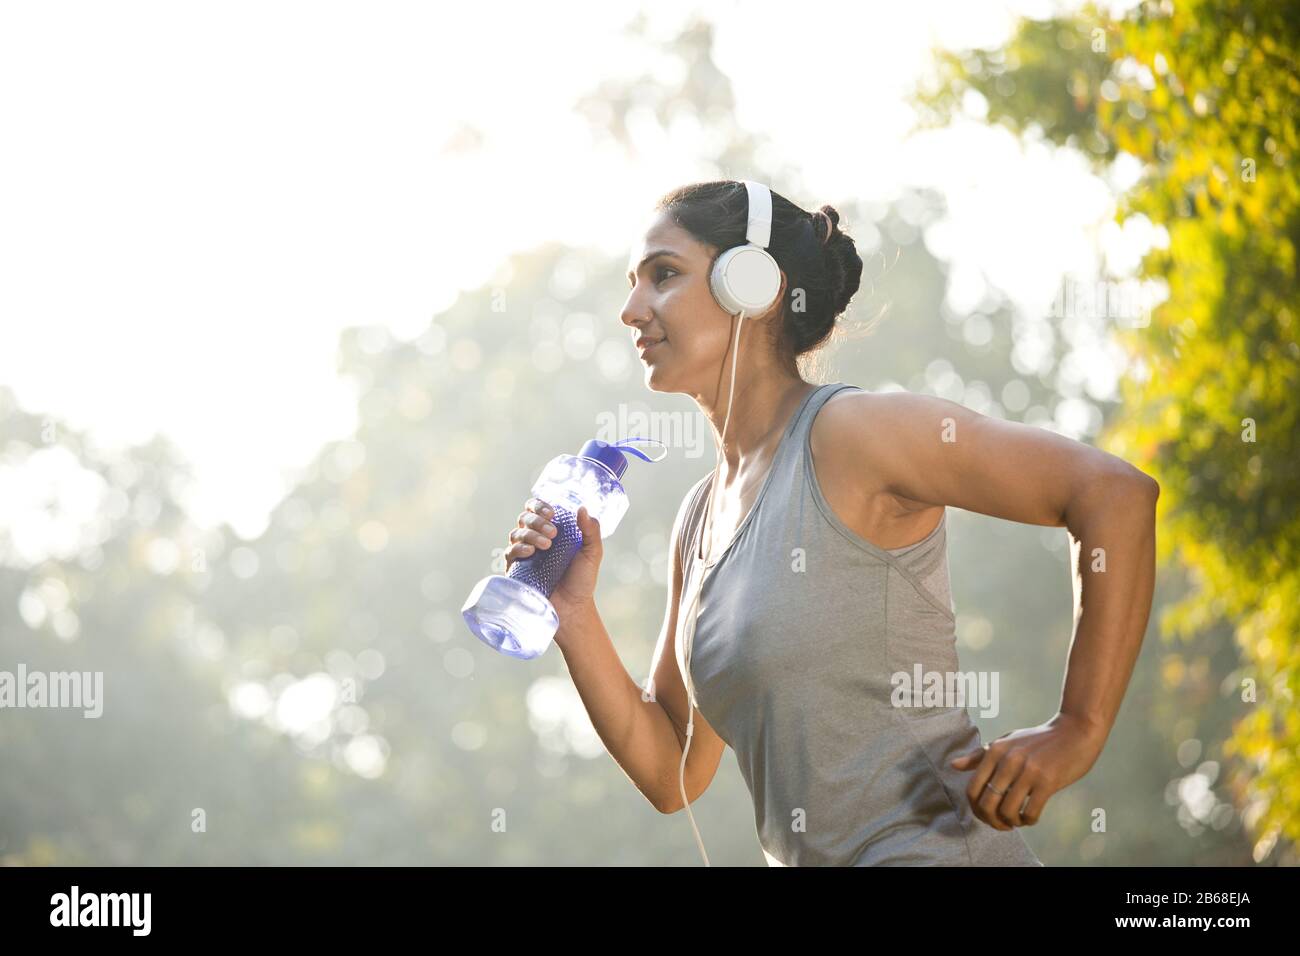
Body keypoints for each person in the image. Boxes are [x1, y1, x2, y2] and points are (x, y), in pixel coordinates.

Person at [501, 179, 1159, 866]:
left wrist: (1077, 728)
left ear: (749, 284)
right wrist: (571, 613)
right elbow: (674, 770)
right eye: (633, 283)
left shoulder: (854, 433)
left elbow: (1112, 493)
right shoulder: (699, 518)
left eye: (663, 275)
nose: (631, 310)